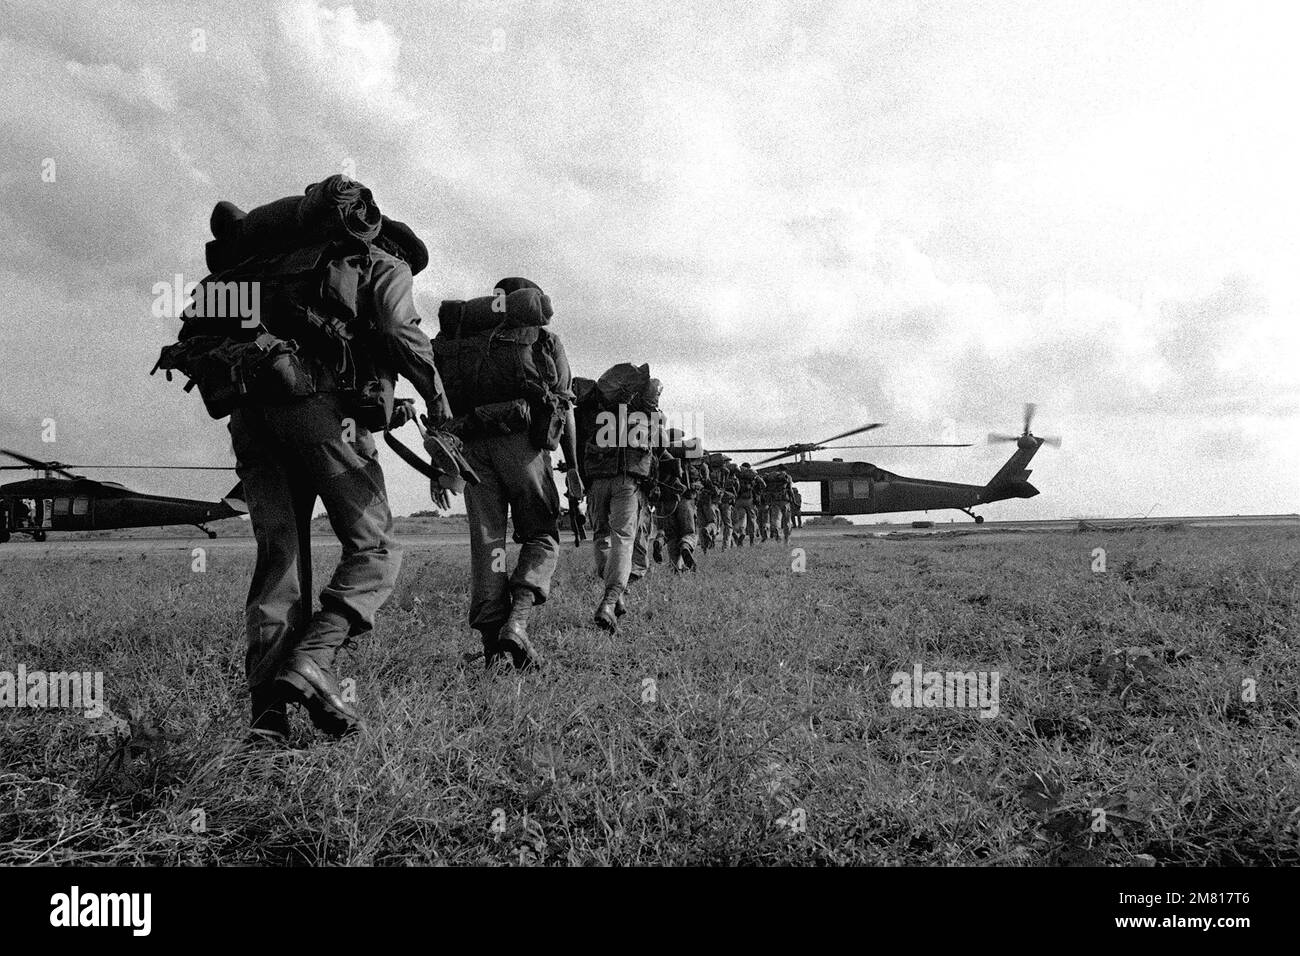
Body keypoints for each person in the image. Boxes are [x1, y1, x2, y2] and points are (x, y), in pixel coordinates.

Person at [188, 175, 452, 742]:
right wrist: (437, 396)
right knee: (376, 545)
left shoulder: (264, 266)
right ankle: (314, 659)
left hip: (252, 414)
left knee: (280, 559)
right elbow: (398, 330)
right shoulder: (380, 262)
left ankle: (267, 725)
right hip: (318, 410)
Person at [431, 277, 582, 670]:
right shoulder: (542, 340)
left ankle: (492, 650)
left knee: (489, 544)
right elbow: (563, 407)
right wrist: (574, 469)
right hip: (521, 445)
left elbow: (440, 400)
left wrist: (440, 464)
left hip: (469, 448)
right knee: (543, 535)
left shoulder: (463, 341)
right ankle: (516, 622)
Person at [582, 366, 663, 631]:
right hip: (627, 482)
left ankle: (614, 598)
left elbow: (578, 442)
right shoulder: (647, 415)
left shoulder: (593, 410)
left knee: (601, 536)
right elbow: (657, 452)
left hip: (596, 481)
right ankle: (610, 599)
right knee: (624, 539)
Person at [734, 462, 765, 546]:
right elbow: (763, 485)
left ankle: (742, 532)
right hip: (749, 500)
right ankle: (752, 540)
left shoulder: (738, 474)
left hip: (738, 500)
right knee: (752, 520)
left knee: (741, 518)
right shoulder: (752, 475)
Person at [765, 464, 794, 544]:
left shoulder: (772, 478)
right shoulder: (787, 477)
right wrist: (793, 500)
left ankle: (777, 535)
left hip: (774, 501)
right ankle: (787, 539)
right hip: (785, 501)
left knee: (775, 519)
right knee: (787, 520)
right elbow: (790, 490)